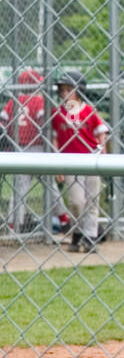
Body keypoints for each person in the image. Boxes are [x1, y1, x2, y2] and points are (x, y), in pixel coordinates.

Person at [50, 69, 110, 252]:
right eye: (62, 90)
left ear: (80, 91)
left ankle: (90, 237)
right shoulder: (58, 113)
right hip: (70, 162)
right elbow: (55, 141)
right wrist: (57, 165)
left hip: (91, 160)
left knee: (92, 201)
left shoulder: (89, 111)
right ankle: (77, 233)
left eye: (69, 90)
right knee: (77, 202)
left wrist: (103, 156)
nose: (64, 93)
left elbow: (101, 133)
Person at [0, 69, 63, 233]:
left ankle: (14, 224)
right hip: (39, 148)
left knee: (19, 189)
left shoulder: (13, 101)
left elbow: (1, 124)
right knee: (49, 185)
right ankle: (63, 218)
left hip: (19, 149)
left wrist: (6, 145)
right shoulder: (39, 101)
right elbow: (44, 124)